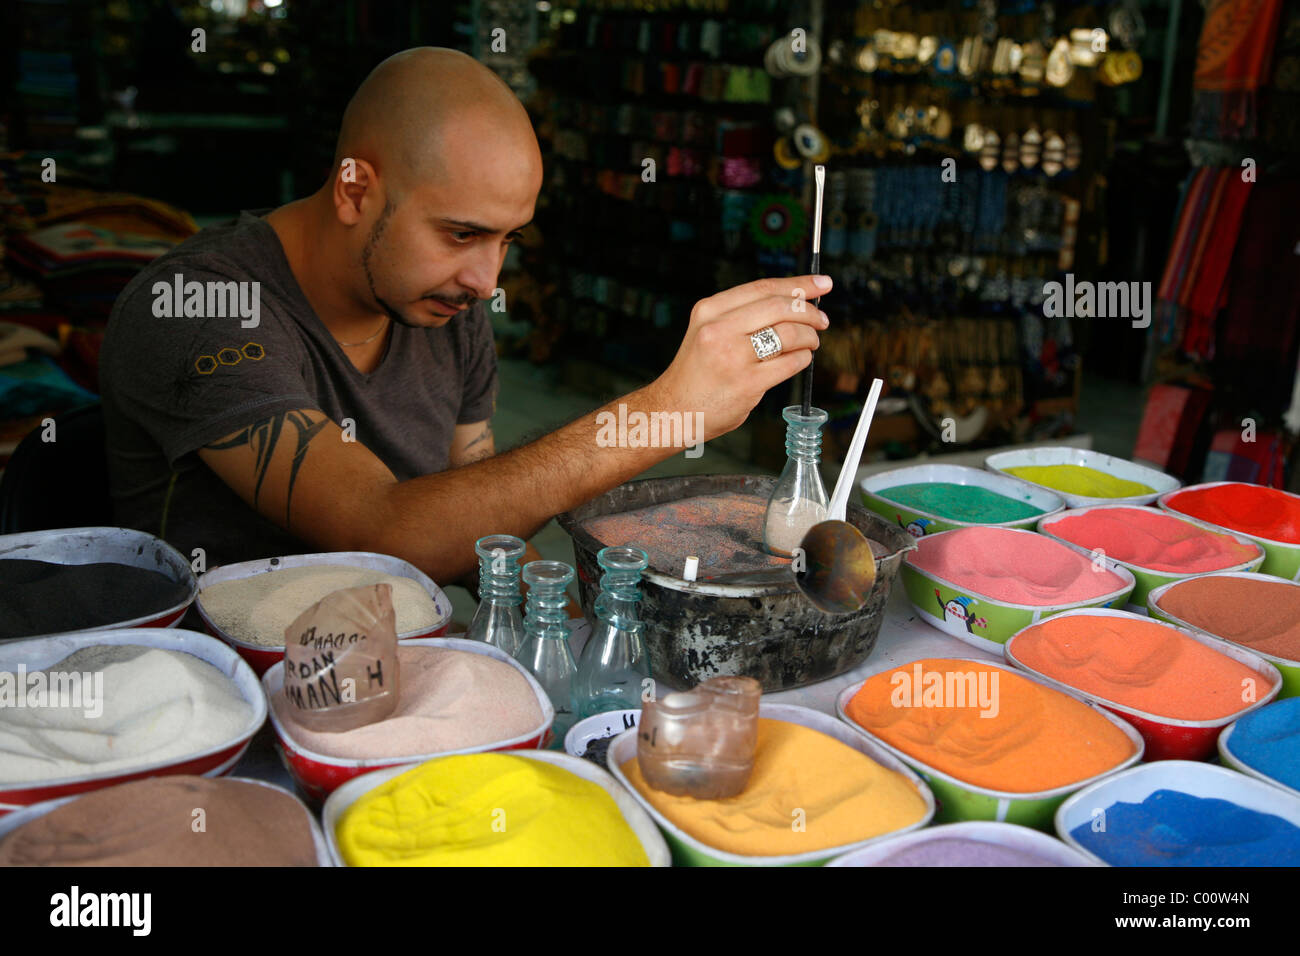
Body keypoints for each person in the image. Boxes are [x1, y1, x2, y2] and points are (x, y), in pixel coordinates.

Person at [100, 47, 831, 585]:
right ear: (355, 189)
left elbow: (477, 525)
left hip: (402, 680)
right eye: (461, 234)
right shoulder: (201, 311)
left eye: (508, 240)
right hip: (224, 710)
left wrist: (583, 624)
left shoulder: (444, 308)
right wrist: (663, 412)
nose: (488, 281)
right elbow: (384, 530)